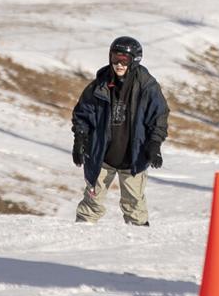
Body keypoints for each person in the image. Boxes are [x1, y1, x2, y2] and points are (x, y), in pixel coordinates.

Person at [71, 37, 169, 226]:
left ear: (134, 60)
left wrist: (154, 144)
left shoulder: (147, 86)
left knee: (134, 204)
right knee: (92, 202)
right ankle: (82, 232)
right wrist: (80, 140)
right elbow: (82, 114)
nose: (119, 65)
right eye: (115, 59)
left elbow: (159, 116)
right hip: (102, 157)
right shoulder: (99, 85)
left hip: (133, 158)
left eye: (124, 60)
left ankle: (138, 236)